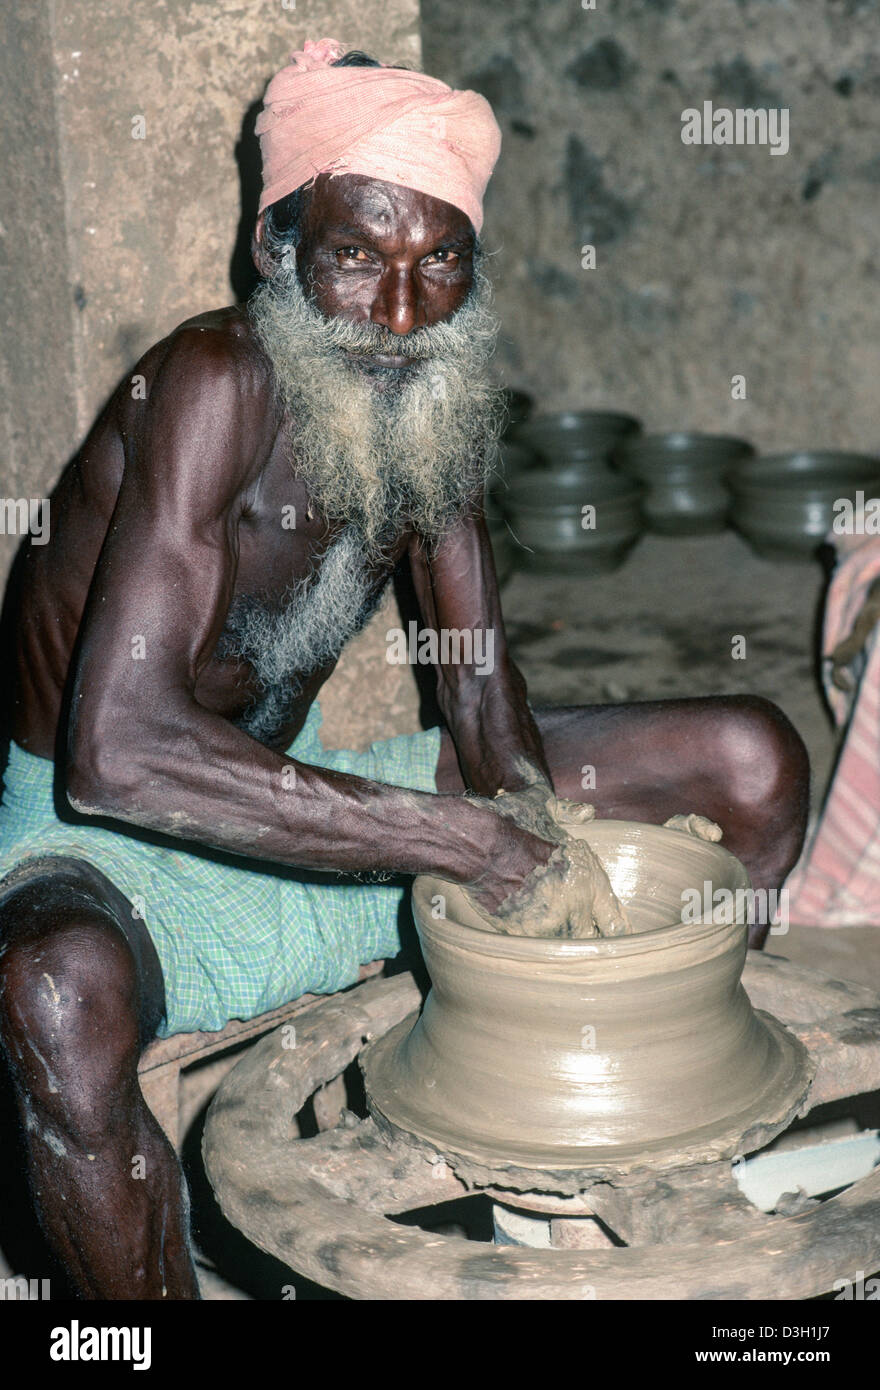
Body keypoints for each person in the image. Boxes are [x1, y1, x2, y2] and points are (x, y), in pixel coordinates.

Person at [0, 38, 809, 1298]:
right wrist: (461, 845)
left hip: (299, 795)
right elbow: (116, 757)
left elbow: (480, 694)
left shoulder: (431, 400)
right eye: (355, 260)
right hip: (110, 849)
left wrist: (536, 835)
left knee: (751, 756)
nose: (399, 314)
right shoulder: (212, 382)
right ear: (279, 251)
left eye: (440, 264)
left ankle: (670, 1070)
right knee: (53, 993)